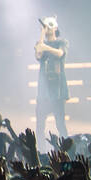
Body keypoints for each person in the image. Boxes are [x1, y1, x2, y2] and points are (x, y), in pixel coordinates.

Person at [34, 17, 69, 148]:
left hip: (57, 92)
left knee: (60, 124)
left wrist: (45, 47)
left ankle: (66, 150)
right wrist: (41, 35)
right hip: (43, 92)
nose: (47, 29)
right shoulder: (40, 43)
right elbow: (38, 55)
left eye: (49, 27)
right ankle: (41, 151)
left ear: (55, 28)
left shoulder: (62, 42)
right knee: (39, 125)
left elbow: (60, 53)